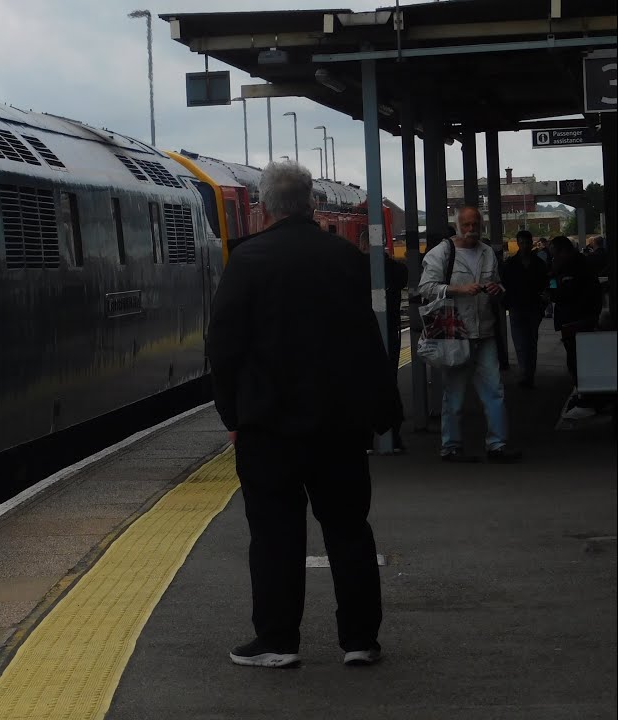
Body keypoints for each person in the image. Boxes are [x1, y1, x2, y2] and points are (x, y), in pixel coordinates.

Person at [207, 161, 398, 669]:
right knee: (348, 529)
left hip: (269, 427)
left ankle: (276, 640)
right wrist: (381, 408)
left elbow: (223, 346)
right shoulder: (343, 258)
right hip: (338, 424)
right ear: (311, 202)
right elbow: (366, 338)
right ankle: (360, 639)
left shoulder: (247, 261)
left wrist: (232, 413)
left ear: (265, 206)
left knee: (274, 535)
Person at [419, 206, 521, 463]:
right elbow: (426, 288)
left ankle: (497, 445)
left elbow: (498, 282)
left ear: (482, 225)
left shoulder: (488, 253)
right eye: (466, 225)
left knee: (495, 391)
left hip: (484, 333)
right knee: (454, 394)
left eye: (476, 224)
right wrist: (459, 289)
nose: (471, 229)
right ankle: (450, 447)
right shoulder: (442, 253)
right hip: (457, 334)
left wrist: (498, 289)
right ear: (458, 225)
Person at [355, 232, 410, 452]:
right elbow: (402, 278)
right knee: (389, 383)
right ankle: (392, 436)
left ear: (364, 244)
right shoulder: (397, 269)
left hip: (363, 334)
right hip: (391, 331)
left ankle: (368, 439)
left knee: (364, 385)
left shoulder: (357, 268)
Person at [547, 235, 603, 419]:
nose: (553, 258)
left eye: (555, 254)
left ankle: (588, 400)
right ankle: (585, 395)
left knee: (578, 360)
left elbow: (562, 293)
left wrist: (553, 285)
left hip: (577, 319)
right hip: (575, 319)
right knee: (576, 359)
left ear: (564, 251)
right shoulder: (573, 265)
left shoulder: (575, 268)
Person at [501, 230, 550, 388]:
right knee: (521, 342)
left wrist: (545, 300)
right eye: (521, 243)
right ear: (518, 243)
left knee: (531, 341)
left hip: (533, 306)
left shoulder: (539, 264)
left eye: (526, 243)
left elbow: (547, 283)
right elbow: (504, 285)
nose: (524, 246)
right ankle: (525, 373)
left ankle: (529, 373)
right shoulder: (510, 264)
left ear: (531, 243)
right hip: (517, 306)